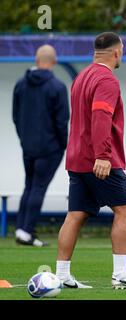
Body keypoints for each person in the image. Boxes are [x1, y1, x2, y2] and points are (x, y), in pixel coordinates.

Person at [55, 32, 126, 289]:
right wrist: (102, 155)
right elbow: (101, 117)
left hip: (76, 157)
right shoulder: (107, 80)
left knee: (75, 214)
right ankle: (121, 273)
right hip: (97, 158)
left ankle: (62, 275)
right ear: (117, 52)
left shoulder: (81, 77)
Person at [12, 45, 69, 247]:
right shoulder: (57, 87)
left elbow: (16, 117)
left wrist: (24, 139)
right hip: (50, 148)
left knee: (29, 186)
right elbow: (62, 122)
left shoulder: (20, 84)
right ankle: (27, 231)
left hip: (28, 147)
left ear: (36, 60)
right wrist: (64, 145)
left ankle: (21, 229)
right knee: (38, 187)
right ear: (53, 62)